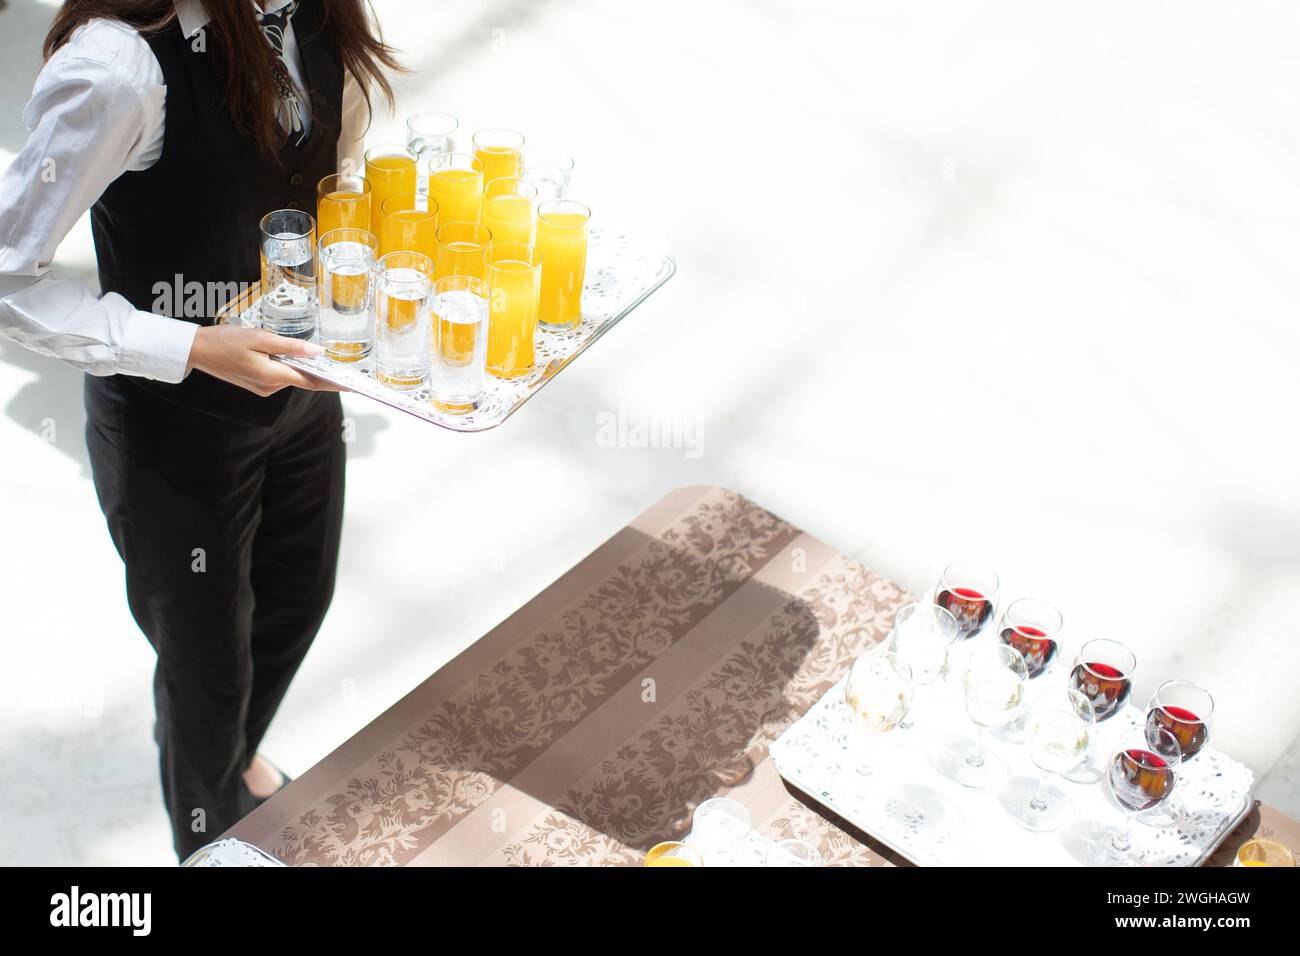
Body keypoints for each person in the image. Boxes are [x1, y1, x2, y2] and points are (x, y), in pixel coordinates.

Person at [0, 0, 401, 860]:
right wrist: (191, 345)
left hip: (299, 391)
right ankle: (210, 834)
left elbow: (327, 165)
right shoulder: (117, 69)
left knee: (296, 600)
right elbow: (8, 275)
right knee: (206, 677)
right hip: (172, 429)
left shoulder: (324, 14)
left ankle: (232, 774)